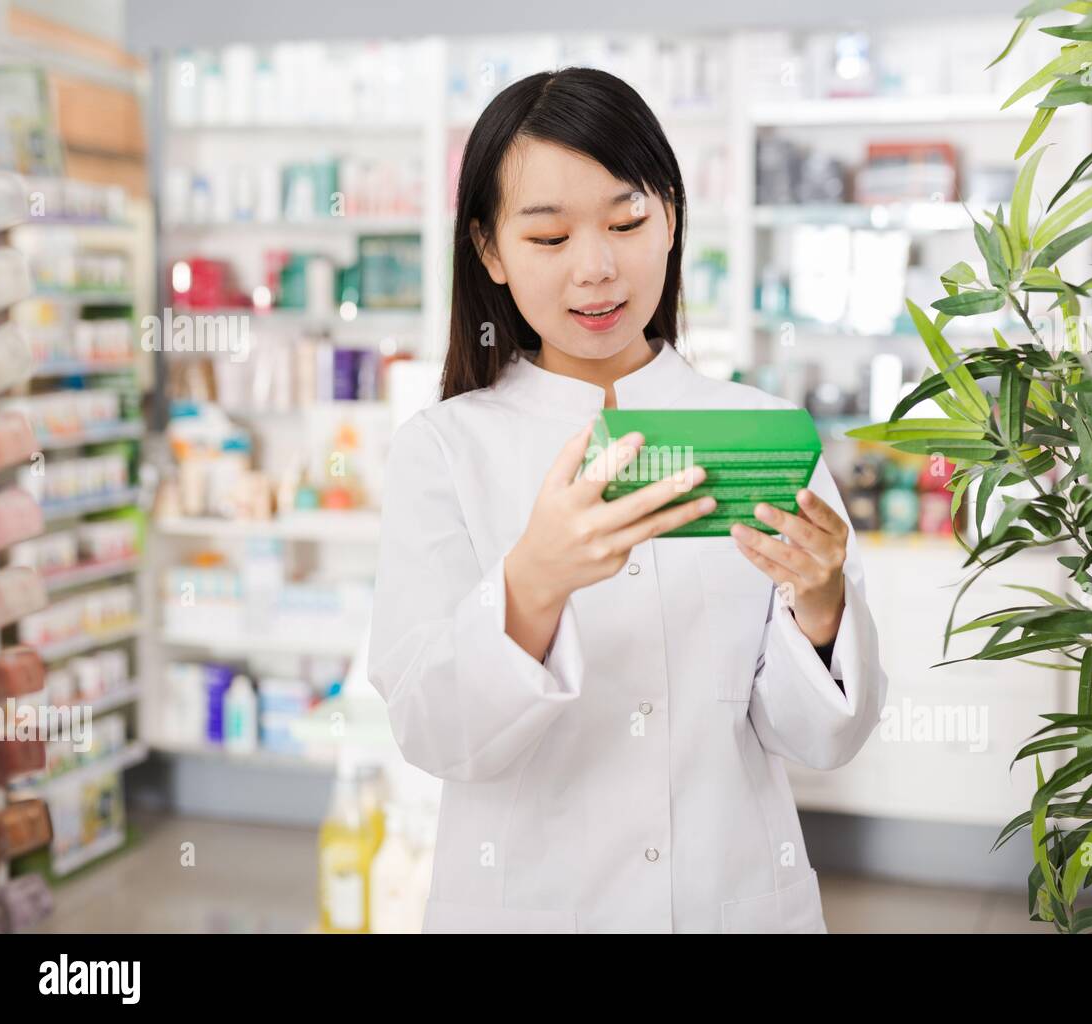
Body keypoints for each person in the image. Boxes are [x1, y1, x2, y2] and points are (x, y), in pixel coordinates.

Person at [367, 66, 887, 933]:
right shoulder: (446, 450)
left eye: (626, 221)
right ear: (489, 251)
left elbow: (822, 739)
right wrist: (533, 583)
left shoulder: (763, 436)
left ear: (672, 216)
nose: (597, 268)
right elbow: (434, 734)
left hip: (732, 898)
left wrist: (824, 605)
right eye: (547, 238)